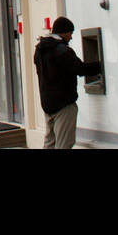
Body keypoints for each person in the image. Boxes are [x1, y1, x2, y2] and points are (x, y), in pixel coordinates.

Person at [33, 16, 101, 149]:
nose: (71, 37)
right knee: (64, 144)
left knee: (49, 144)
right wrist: (102, 66)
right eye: (70, 33)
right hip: (64, 105)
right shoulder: (62, 51)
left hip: (47, 105)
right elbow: (80, 69)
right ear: (63, 32)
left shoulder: (40, 50)